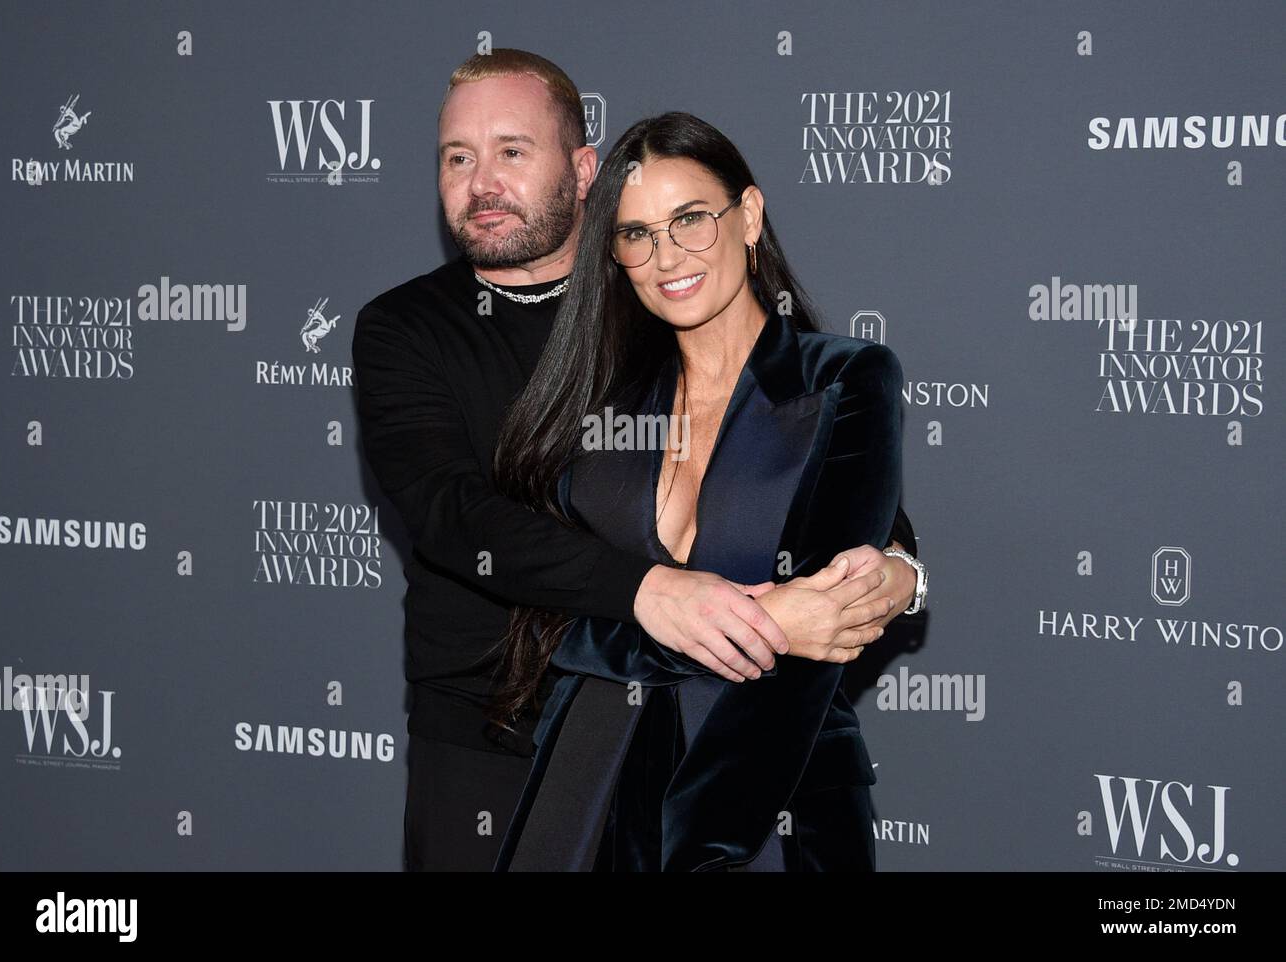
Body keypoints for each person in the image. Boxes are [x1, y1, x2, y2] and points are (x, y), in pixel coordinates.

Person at [351, 50, 927, 872]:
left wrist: (899, 564)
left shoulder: (650, 327)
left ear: (584, 170)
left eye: (512, 150)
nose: (482, 181)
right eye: (458, 157)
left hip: (701, 737)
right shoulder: (409, 330)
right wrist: (672, 597)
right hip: (492, 722)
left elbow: (811, 478)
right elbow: (454, 514)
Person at [492, 110, 916, 872]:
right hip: (589, 779)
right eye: (636, 234)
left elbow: (817, 637)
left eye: (690, 220)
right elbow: (549, 620)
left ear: (748, 216)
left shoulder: (842, 381)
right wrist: (764, 618)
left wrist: (704, 847)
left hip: (770, 801)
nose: (666, 257)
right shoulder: (603, 407)